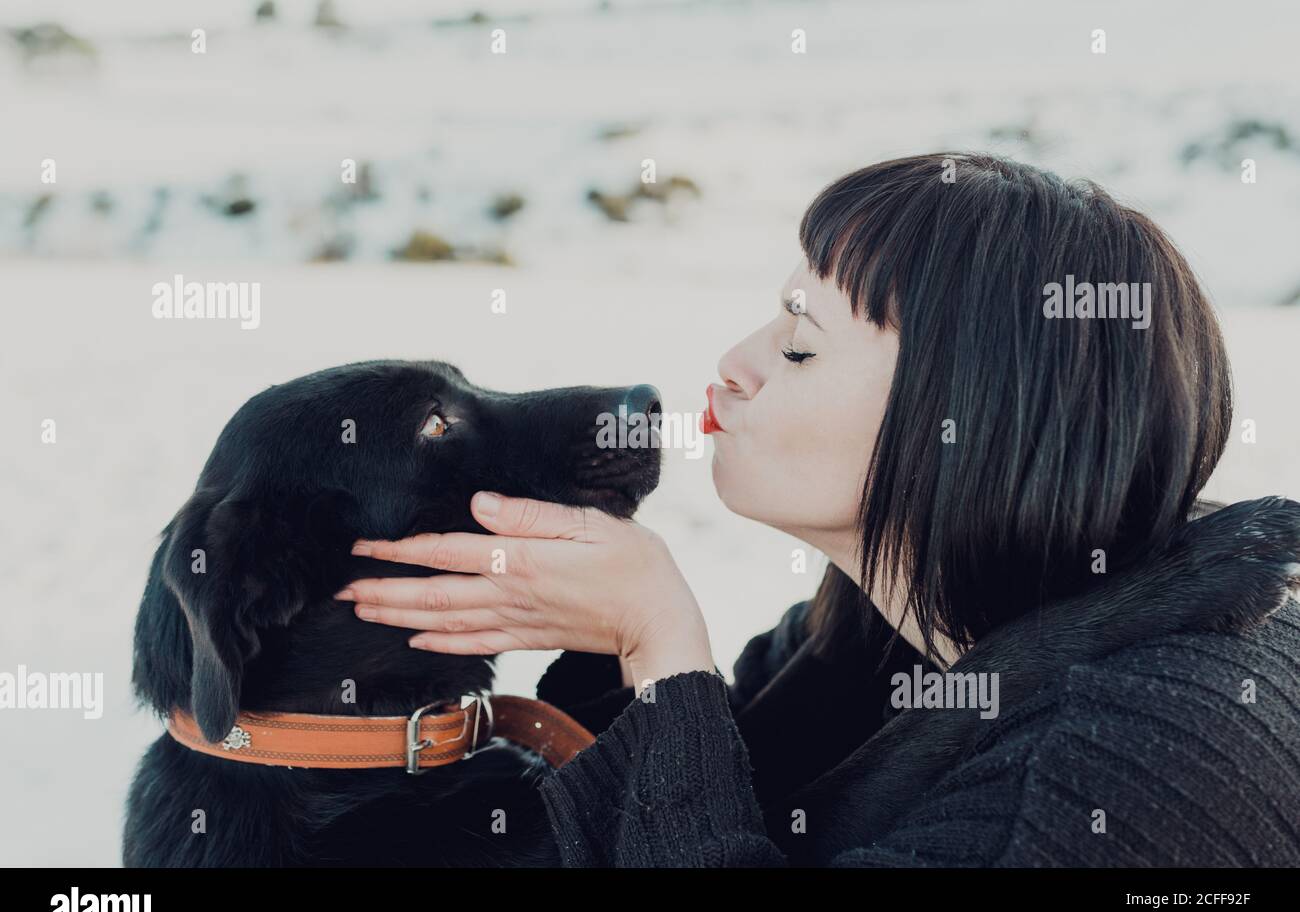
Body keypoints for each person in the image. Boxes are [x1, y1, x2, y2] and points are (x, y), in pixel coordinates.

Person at [334, 152, 1300, 866]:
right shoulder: (890, 622)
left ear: (966, 420)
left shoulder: (1129, 761)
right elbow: (712, 803)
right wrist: (610, 649)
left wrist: (658, 637)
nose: (736, 365)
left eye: (800, 347)